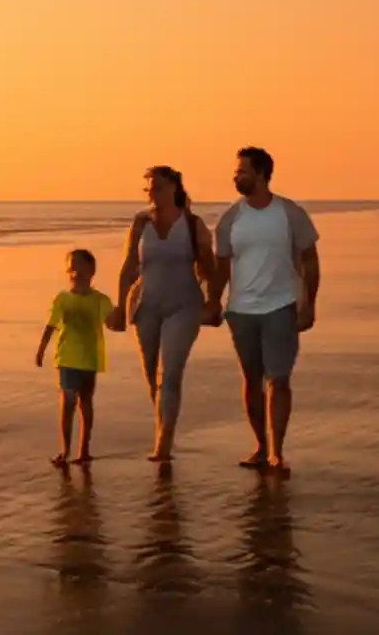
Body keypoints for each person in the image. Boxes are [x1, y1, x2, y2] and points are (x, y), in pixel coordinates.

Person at [205, 147, 320, 472]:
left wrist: (309, 303)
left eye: (242, 171)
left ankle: (277, 452)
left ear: (260, 174)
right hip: (241, 311)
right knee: (251, 379)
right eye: (236, 170)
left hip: (281, 306)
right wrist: (214, 302)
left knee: (278, 379)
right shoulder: (230, 218)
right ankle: (261, 445)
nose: (235, 176)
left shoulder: (289, 213)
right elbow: (221, 266)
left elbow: (310, 260)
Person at [108, 167, 214, 462]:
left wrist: (213, 302)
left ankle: (163, 444)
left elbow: (209, 267)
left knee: (169, 374)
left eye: (158, 188)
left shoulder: (193, 224)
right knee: (151, 374)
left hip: (184, 305)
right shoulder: (141, 223)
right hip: (145, 305)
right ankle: (163, 427)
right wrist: (119, 307)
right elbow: (130, 265)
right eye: (149, 189)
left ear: (174, 189)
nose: (152, 193)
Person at [36, 249, 115, 467]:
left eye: (79, 266)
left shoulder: (100, 300)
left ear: (92, 271)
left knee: (85, 402)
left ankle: (84, 449)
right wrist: (41, 349)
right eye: (71, 266)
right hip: (66, 358)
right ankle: (65, 449)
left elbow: (114, 322)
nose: (75, 271)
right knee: (67, 401)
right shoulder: (62, 299)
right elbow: (51, 325)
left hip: (89, 359)